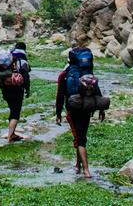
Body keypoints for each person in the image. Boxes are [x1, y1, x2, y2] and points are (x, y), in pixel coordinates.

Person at [55, 48, 105, 179]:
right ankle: (78, 165)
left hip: (73, 108)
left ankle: (86, 170)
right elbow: (97, 90)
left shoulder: (64, 75)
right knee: (81, 135)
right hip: (88, 107)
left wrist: (58, 113)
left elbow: (60, 95)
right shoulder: (88, 74)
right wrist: (101, 109)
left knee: (80, 139)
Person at [0, 41, 31, 142]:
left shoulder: (6, 58)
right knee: (15, 113)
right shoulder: (21, 61)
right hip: (16, 90)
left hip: (4, 88)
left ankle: (12, 133)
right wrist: (27, 90)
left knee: (12, 109)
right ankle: (10, 136)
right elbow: (26, 78)